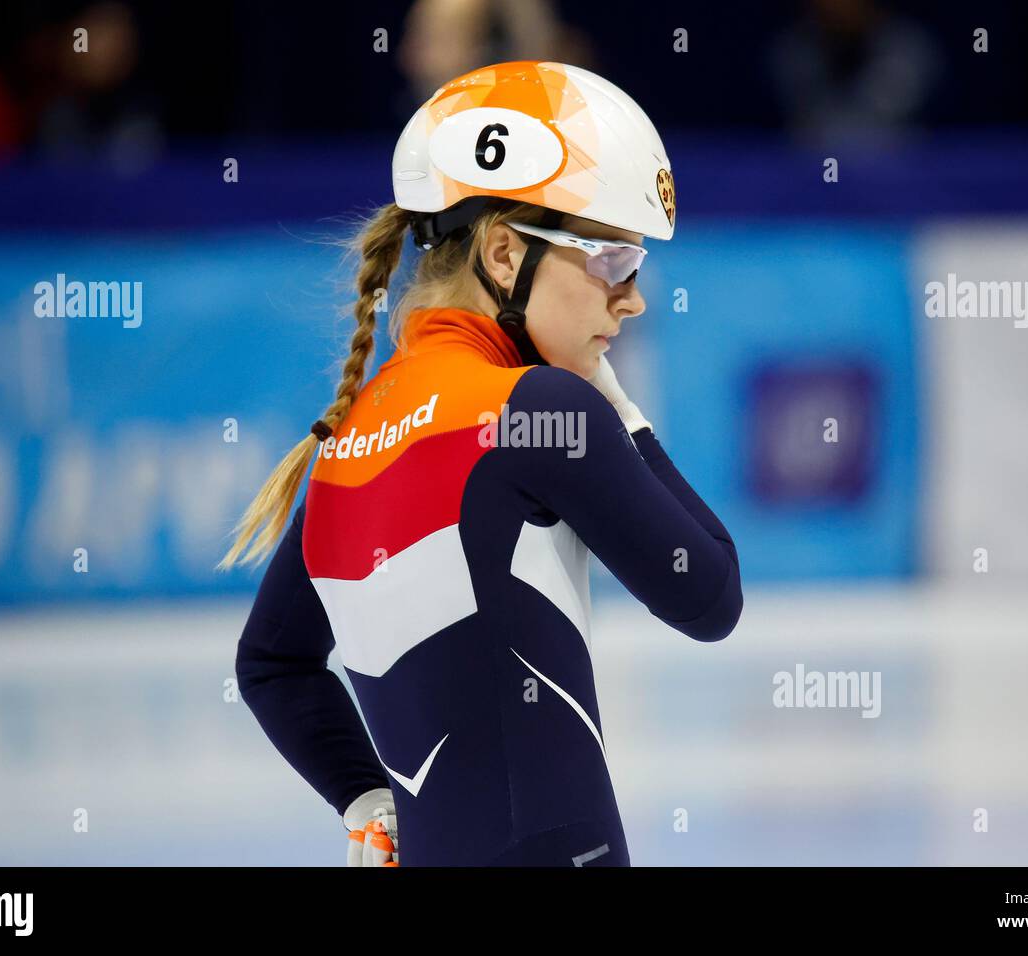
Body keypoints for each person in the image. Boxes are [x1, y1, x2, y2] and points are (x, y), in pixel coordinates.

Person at [219, 61, 741, 866]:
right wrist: (617, 404)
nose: (633, 298)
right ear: (504, 253)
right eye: (612, 263)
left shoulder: (345, 439)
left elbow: (272, 664)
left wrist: (367, 800)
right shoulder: (538, 411)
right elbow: (709, 596)